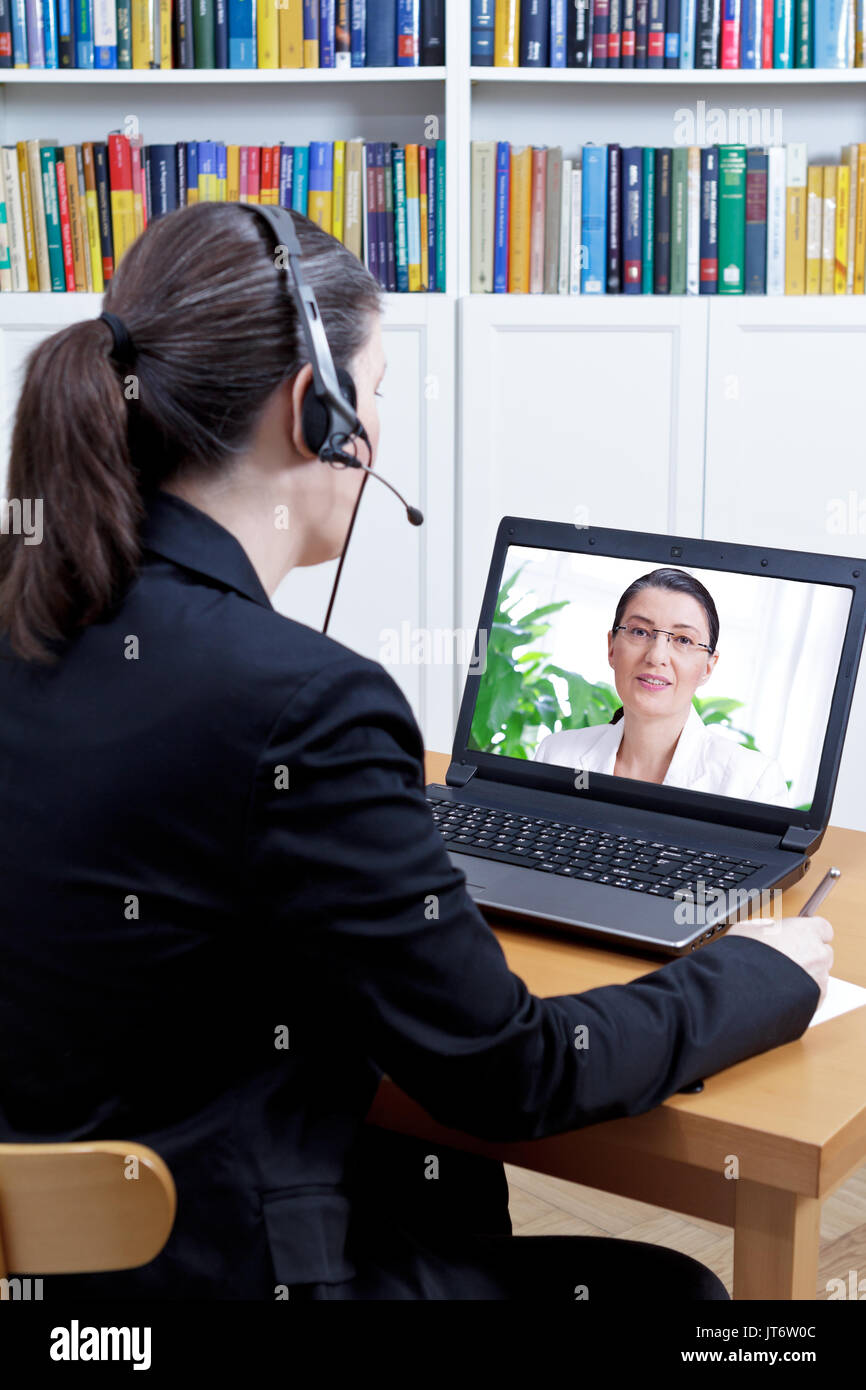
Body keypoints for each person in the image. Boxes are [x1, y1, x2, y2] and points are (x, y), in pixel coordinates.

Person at [0, 203, 832, 1301]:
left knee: (442, 1187)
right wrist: (750, 976)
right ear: (319, 410)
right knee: (675, 1295)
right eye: (377, 387)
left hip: (60, 1274)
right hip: (215, 1270)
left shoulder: (33, 617)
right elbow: (511, 1075)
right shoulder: (306, 703)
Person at [535, 568, 791, 805]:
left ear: (708, 667)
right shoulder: (557, 755)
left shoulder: (751, 783)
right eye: (640, 632)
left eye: (683, 639)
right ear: (612, 648)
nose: (656, 656)